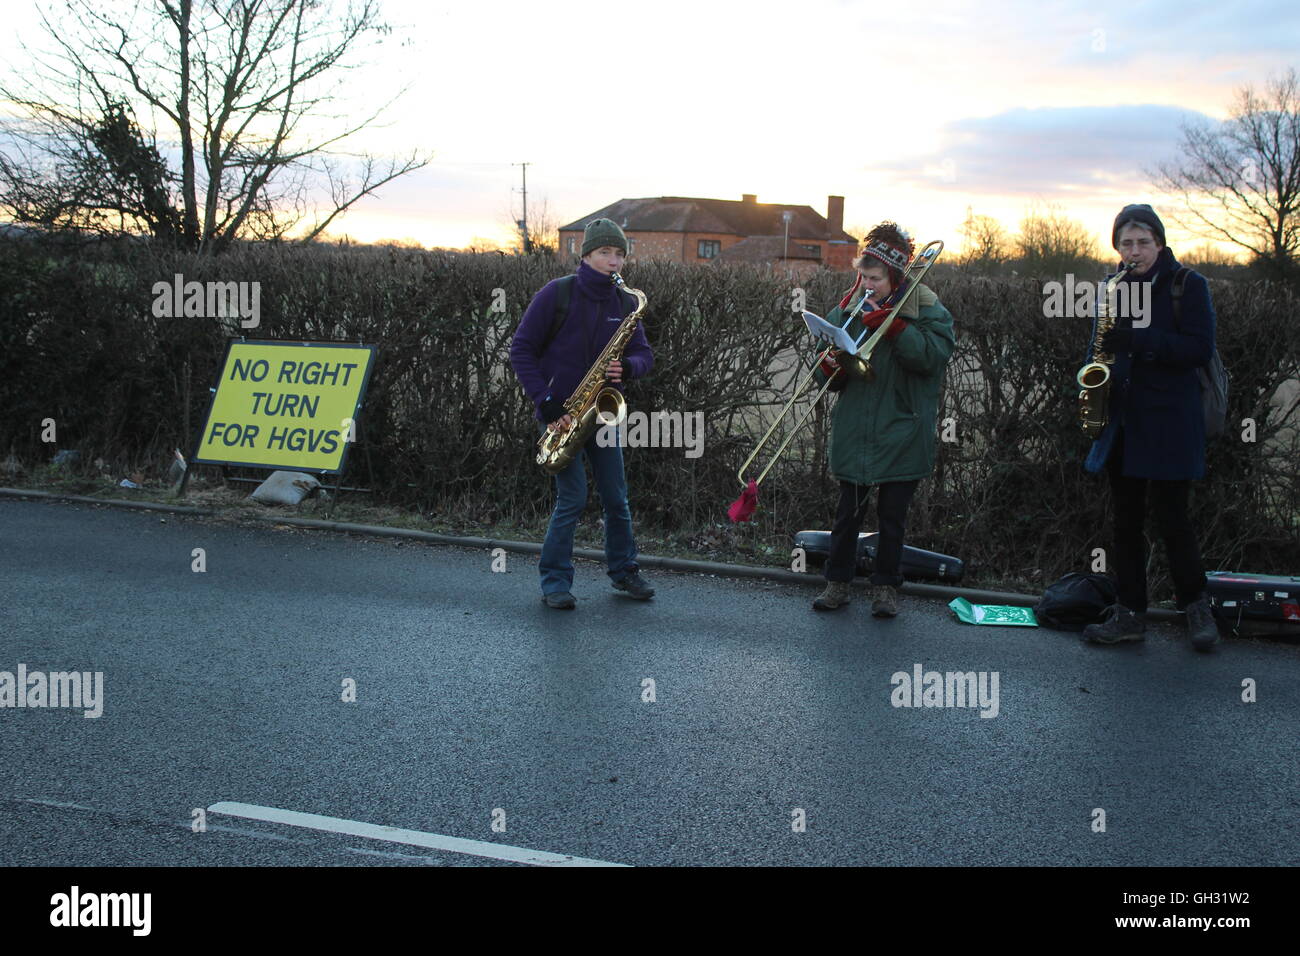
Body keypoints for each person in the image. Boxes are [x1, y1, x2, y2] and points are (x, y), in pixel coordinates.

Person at [1080, 203, 1219, 650]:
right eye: (1126, 243)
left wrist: (1139, 341)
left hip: (1170, 422)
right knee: (1125, 523)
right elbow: (1100, 348)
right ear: (1117, 247)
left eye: (1142, 242)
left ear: (1159, 242)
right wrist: (1091, 384)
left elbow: (1198, 348)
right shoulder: (1112, 286)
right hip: (1124, 422)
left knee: (1174, 520)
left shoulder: (1187, 284)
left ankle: (1196, 608)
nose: (1134, 251)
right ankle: (1130, 613)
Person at [509, 218, 656, 610]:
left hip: (603, 414)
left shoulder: (626, 302)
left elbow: (644, 354)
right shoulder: (556, 294)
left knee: (617, 498)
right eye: (605, 252)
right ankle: (555, 581)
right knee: (573, 498)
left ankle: (624, 572)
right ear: (586, 254)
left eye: (619, 254)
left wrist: (627, 368)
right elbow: (521, 349)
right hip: (560, 413)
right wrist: (546, 400)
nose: (613, 261)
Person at [811, 223, 955, 616]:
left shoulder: (927, 308)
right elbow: (825, 376)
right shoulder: (848, 307)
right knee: (847, 515)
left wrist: (895, 328)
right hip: (858, 426)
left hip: (904, 426)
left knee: (892, 518)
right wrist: (828, 367)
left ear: (895, 277)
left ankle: (885, 589)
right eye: (864, 276)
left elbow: (931, 359)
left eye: (876, 278)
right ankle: (837, 583)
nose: (868, 285)